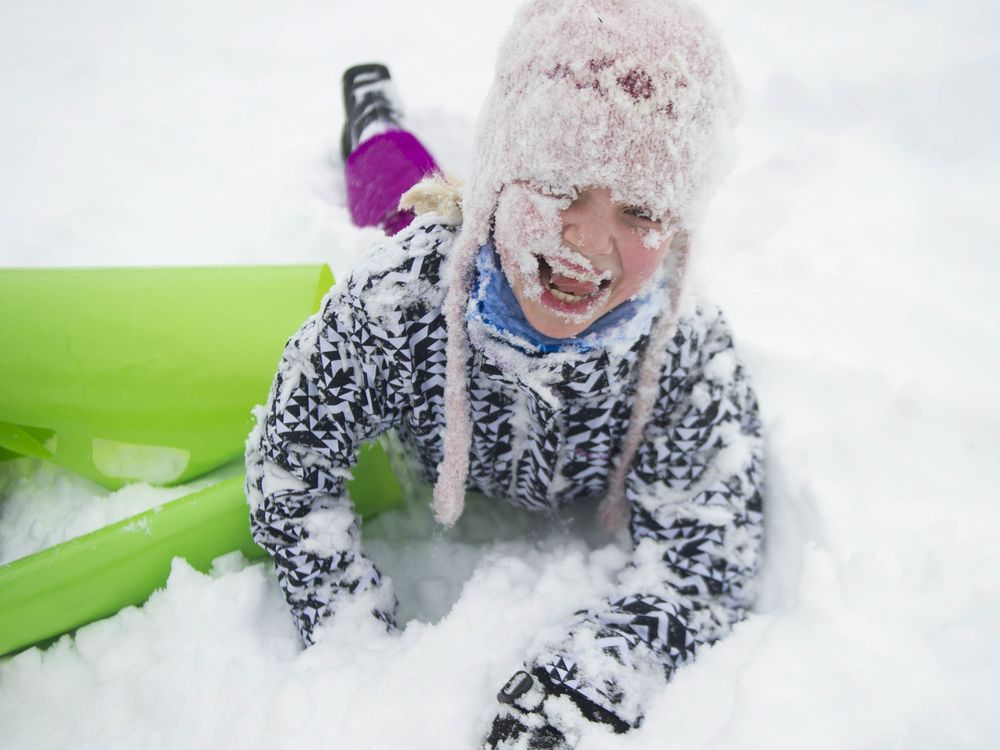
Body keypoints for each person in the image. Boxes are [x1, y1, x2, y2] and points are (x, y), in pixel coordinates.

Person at [245, 1, 764, 748]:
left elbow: (712, 551)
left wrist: (601, 668)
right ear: (503, 176)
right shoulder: (403, 300)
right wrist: (348, 634)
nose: (588, 242)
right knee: (393, 187)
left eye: (640, 208)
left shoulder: (681, 351)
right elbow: (290, 462)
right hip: (450, 250)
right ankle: (373, 116)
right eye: (559, 184)